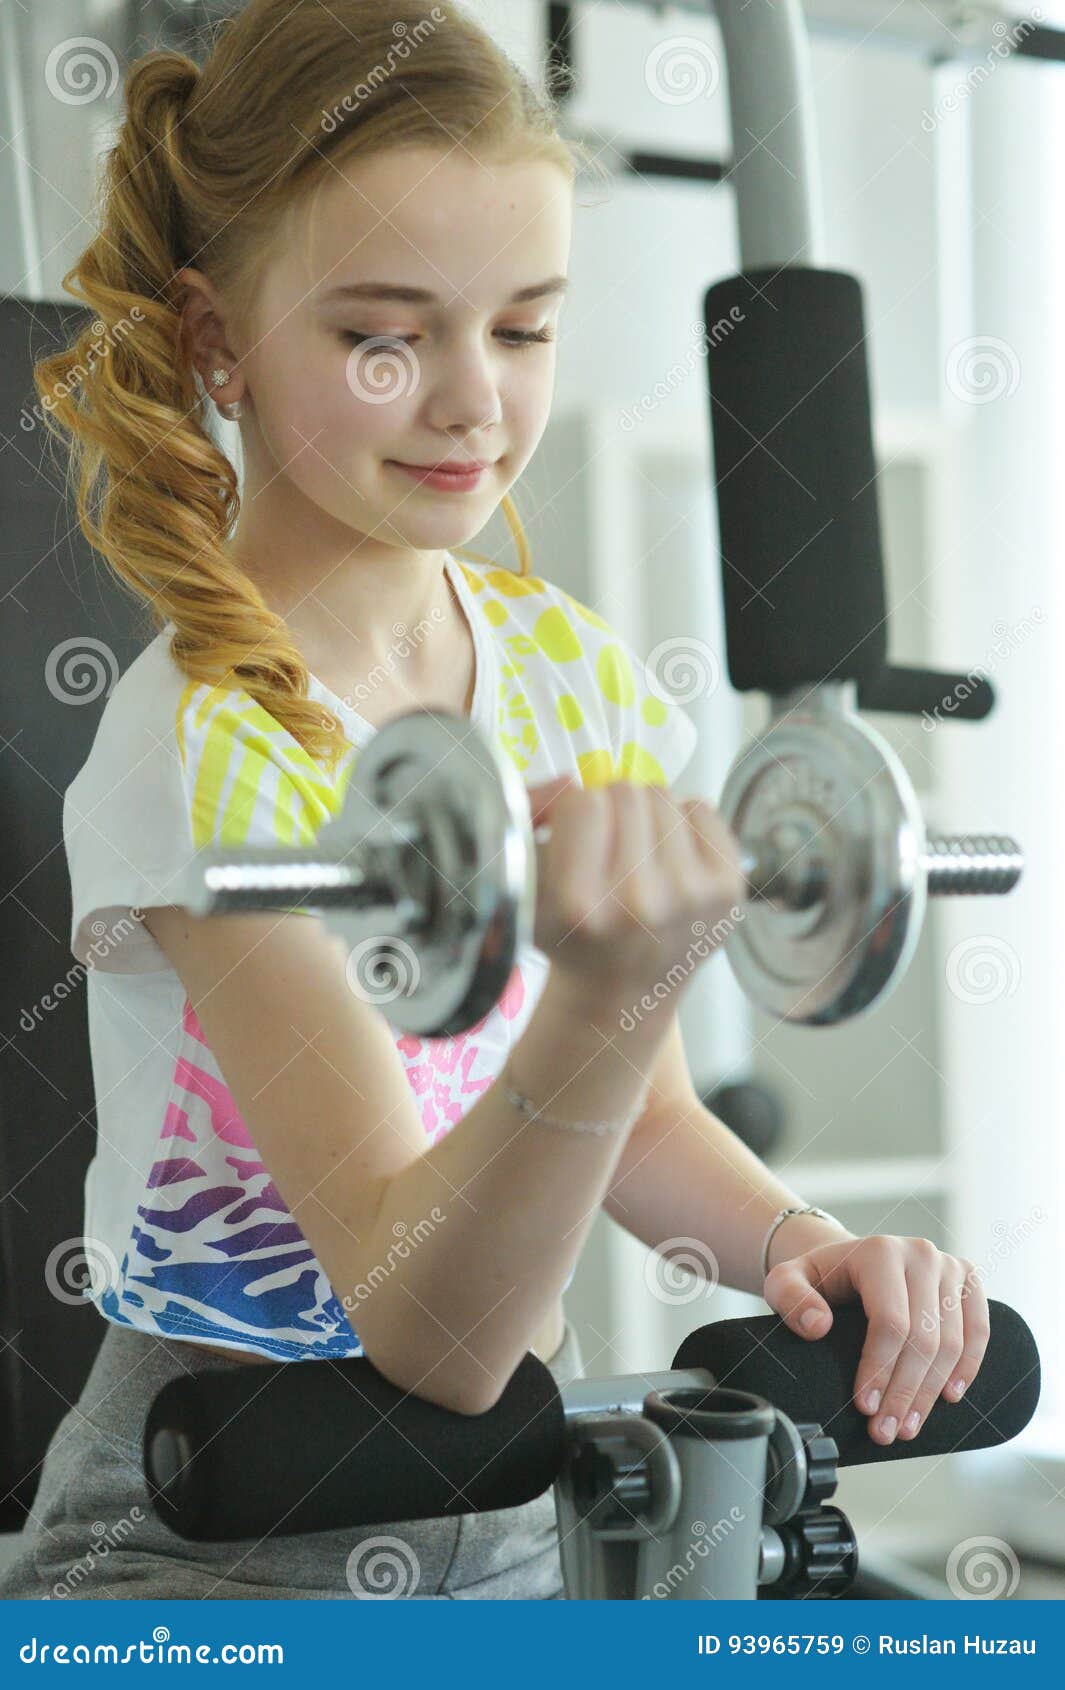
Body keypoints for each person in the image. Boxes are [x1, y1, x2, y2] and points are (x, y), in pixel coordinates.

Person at [0, 0, 988, 1602]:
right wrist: (601, 989)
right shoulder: (207, 744)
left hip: (518, 1500)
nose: (471, 401)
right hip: (212, 1534)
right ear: (215, 340)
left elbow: (644, 1118)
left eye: (521, 330)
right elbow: (428, 1328)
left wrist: (799, 1248)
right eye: (385, 337)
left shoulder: (570, 674)